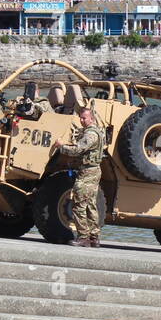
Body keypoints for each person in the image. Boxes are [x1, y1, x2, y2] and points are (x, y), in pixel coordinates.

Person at [52, 103, 106, 247]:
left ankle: (83, 237)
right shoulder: (96, 132)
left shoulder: (91, 134)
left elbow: (77, 150)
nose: (82, 120)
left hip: (88, 172)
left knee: (78, 204)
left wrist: (61, 146)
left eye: (85, 118)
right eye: (81, 118)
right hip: (93, 170)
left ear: (92, 119)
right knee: (90, 205)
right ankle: (94, 237)